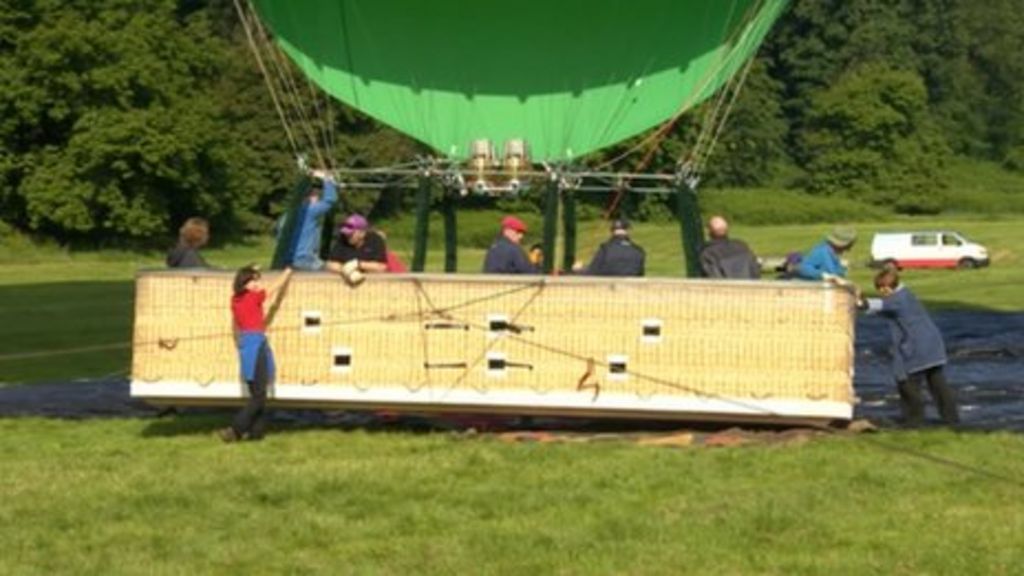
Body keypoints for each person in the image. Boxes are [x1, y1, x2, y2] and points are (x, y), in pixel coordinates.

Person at [859, 267, 959, 427]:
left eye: (880, 289)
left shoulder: (898, 299)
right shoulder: (904, 294)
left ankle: (914, 420)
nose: (880, 293)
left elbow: (883, 305)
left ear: (886, 288)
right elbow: (886, 307)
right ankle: (951, 418)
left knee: (907, 383)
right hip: (932, 345)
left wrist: (860, 302)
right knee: (937, 383)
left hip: (917, 347)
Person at [220, 265, 294, 442]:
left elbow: (237, 323)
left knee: (257, 393)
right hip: (256, 344)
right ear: (244, 283)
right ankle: (236, 428)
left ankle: (256, 433)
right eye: (253, 280)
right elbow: (274, 289)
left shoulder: (235, 300)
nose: (256, 283)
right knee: (260, 395)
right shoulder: (254, 297)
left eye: (257, 280)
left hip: (246, 344)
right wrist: (287, 273)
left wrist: (251, 269)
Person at [290, 171, 339, 271]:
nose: (317, 197)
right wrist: (327, 179)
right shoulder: (309, 210)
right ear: (308, 196)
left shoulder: (290, 213)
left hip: (290, 259)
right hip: (304, 259)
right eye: (315, 195)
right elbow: (330, 200)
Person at [325, 214, 390, 275]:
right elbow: (330, 264)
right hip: (348, 277)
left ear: (362, 233)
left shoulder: (375, 240)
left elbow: (381, 267)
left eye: (351, 234)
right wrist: (344, 270)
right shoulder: (342, 239)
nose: (347, 236)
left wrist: (358, 265)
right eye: (346, 233)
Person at [699, 215, 759, 279]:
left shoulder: (708, 253)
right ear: (727, 230)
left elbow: (715, 279)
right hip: (750, 287)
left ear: (709, 232)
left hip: (727, 288)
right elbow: (755, 272)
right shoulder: (742, 246)